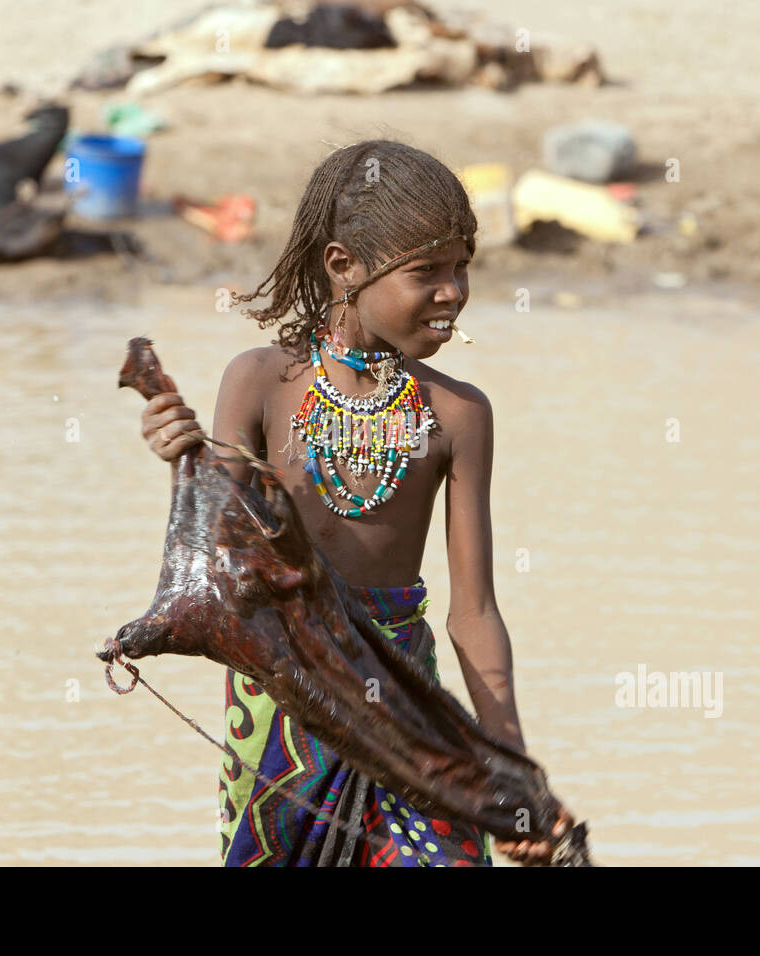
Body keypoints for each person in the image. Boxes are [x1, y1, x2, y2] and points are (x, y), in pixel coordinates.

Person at [141, 139, 572, 866]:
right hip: (282, 704)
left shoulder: (459, 414)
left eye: (463, 267)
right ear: (344, 266)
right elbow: (225, 564)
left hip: (407, 707)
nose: (454, 290)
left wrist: (512, 771)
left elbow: (474, 612)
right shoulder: (259, 384)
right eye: (427, 272)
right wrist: (183, 463)